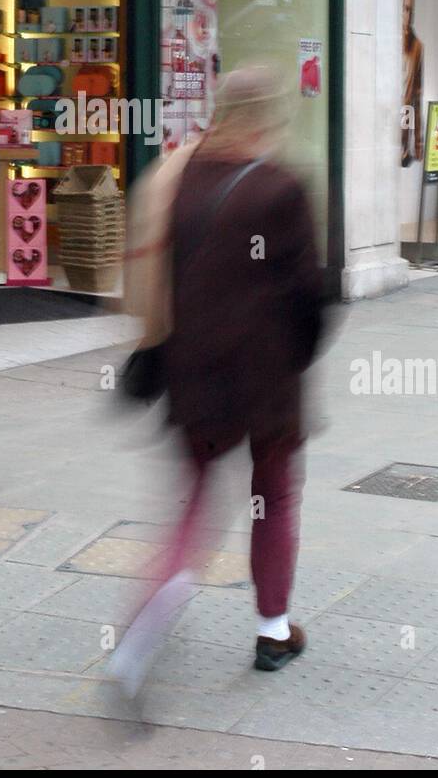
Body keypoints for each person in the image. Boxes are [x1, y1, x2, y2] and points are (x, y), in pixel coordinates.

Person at [110, 64, 327, 695]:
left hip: (196, 373)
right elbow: (311, 294)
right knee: (274, 497)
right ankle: (273, 630)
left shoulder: (178, 179)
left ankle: (143, 630)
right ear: (270, 115)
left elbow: (157, 277)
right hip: (268, 383)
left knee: (195, 501)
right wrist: (298, 359)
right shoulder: (282, 186)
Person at [402, 0, 423, 167]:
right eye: (403, 8)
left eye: (409, 10)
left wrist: (418, 141)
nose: (406, 15)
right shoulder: (386, 41)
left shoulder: (416, 47)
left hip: (403, 124)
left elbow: (417, 95)